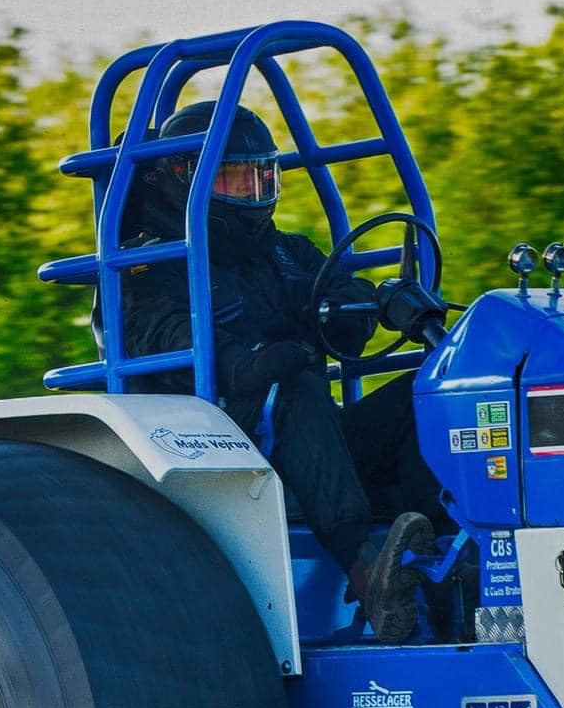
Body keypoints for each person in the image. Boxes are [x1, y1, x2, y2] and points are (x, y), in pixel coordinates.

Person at [117, 98, 437, 641]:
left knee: (424, 393)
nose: (251, 195)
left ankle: (447, 553)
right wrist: (262, 358)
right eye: (235, 180)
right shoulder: (149, 267)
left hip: (311, 439)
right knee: (296, 386)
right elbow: (166, 337)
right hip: (217, 450)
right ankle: (367, 573)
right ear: (183, 179)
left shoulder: (284, 252)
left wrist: (364, 307)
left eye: (261, 178)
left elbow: (336, 291)